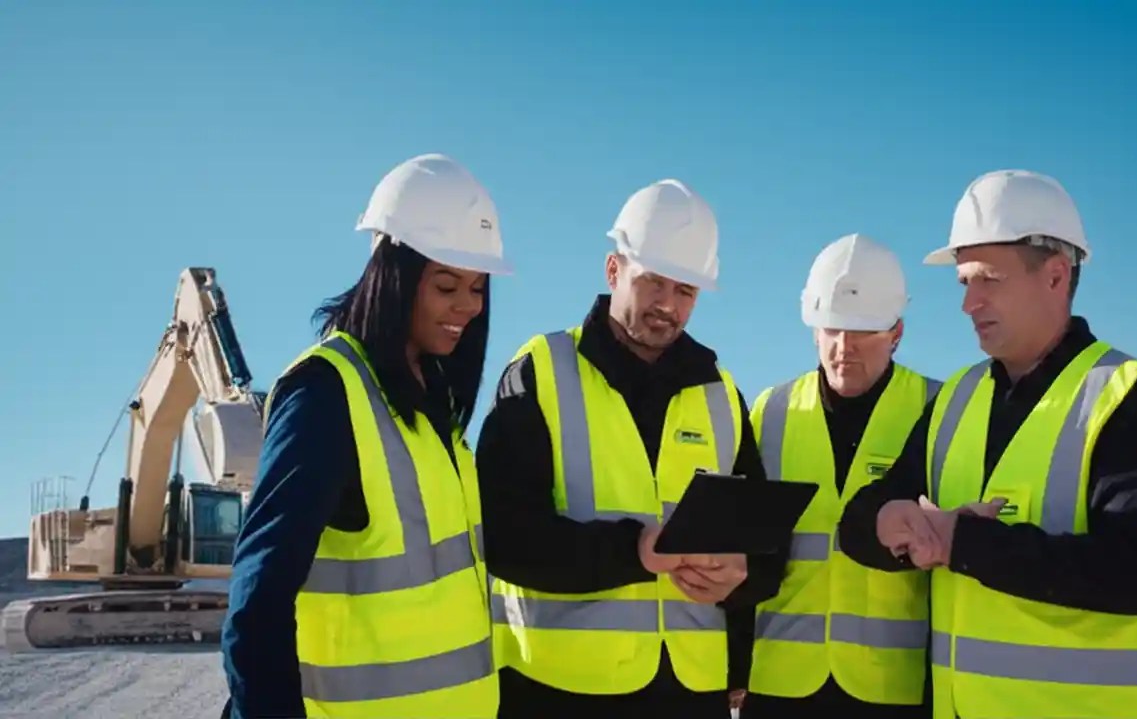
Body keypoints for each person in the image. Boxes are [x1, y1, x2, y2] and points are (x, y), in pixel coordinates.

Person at [839, 169, 1137, 719]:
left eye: (988, 280)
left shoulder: (1129, 398)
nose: (968, 304)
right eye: (963, 284)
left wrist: (964, 541)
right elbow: (862, 518)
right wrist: (888, 521)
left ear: (1055, 276)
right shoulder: (956, 400)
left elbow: (1136, 575)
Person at [475, 178, 787, 718]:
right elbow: (502, 536)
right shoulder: (540, 372)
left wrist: (744, 578)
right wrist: (633, 551)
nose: (668, 306)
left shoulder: (722, 396)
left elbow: (760, 549)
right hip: (557, 689)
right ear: (613, 270)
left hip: (692, 692)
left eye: (686, 291)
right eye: (654, 283)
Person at [220, 153, 514, 719]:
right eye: (447, 285)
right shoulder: (326, 398)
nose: (467, 308)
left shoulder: (434, 405)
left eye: (477, 289)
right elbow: (256, 607)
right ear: (394, 275)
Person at [737, 233, 938, 719]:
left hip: (893, 686)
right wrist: (735, 662)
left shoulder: (938, 408)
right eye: (831, 329)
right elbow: (747, 545)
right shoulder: (773, 411)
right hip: (781, 678)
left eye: (863, 330)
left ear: (896, 332)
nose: (844, 347)